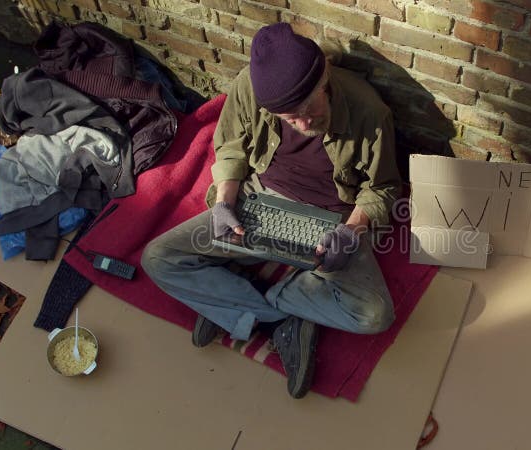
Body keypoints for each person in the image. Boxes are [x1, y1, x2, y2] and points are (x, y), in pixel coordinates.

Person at [141, 23, 401, 399]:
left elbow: (384, 188)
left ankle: (242, 302)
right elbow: (230, 144)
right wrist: (225, 201)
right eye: (289, 118)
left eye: (310, 108)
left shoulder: (369, 112)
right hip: (258, 202)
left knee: (375, 315)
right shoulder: (250, 85)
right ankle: (281, 318)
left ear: (324, 78)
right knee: (158, 257)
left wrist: (352, 231)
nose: (303, 123)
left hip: (329, 222)